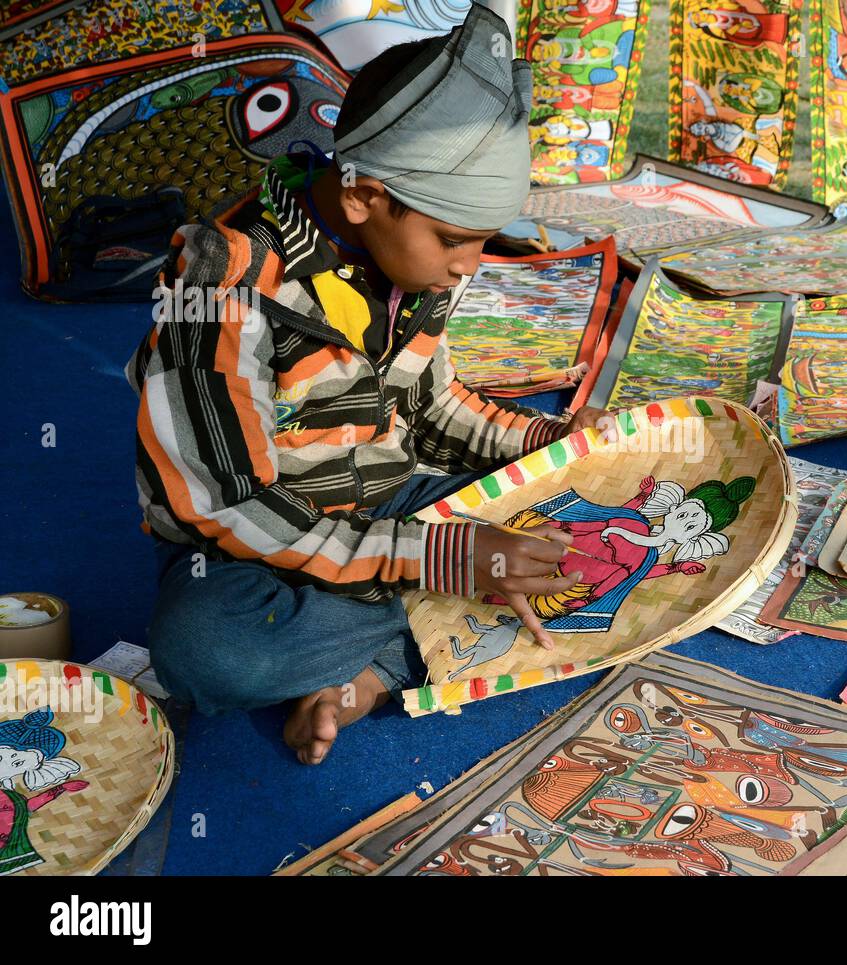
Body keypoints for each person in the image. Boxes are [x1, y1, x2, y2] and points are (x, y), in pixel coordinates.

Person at [127, 4, 608, 764]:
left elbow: (434, 409)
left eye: (482, 240)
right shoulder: (224, 290)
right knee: (210, 653)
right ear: (364, 197)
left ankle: (364, 671)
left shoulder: (411, 260)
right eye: (456, 240)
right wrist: (445, 559)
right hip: (254, 549)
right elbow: (231, 506)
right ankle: (399, 649)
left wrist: (550, 439)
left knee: (580, 521)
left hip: (387, 500)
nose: (470, 266)